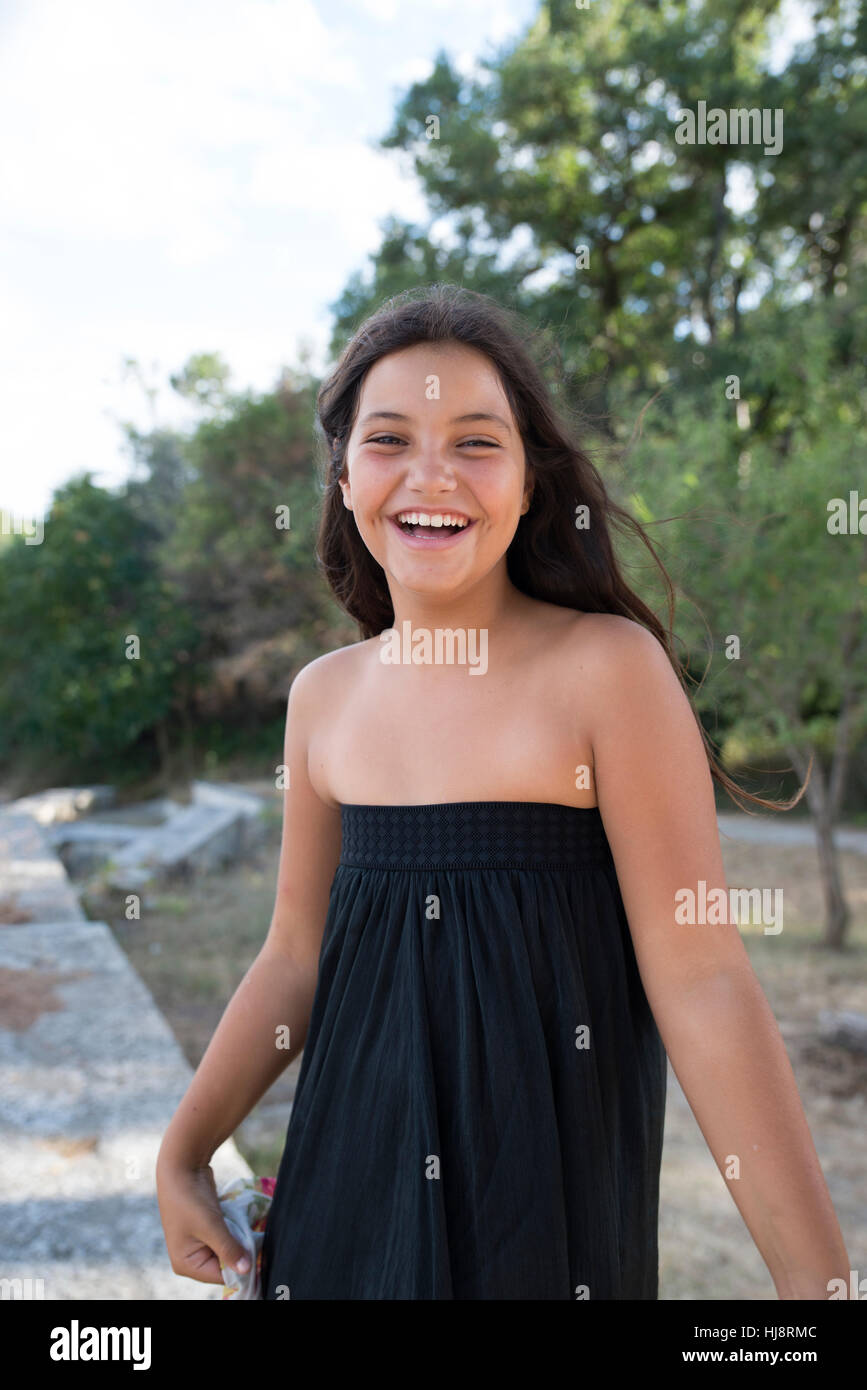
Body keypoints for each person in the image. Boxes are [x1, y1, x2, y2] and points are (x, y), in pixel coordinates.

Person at [156, 283, 850, 1300]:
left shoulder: (606, 670)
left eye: (476, 441)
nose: (430, 473)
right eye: (389, 438)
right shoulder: (324, 700)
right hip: (340, 1224)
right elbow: (294, 956)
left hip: (545, 1235)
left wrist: (821, 1288)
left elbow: (703, 978)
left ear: (528, 483)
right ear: (343, 476)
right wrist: (183, 1151)